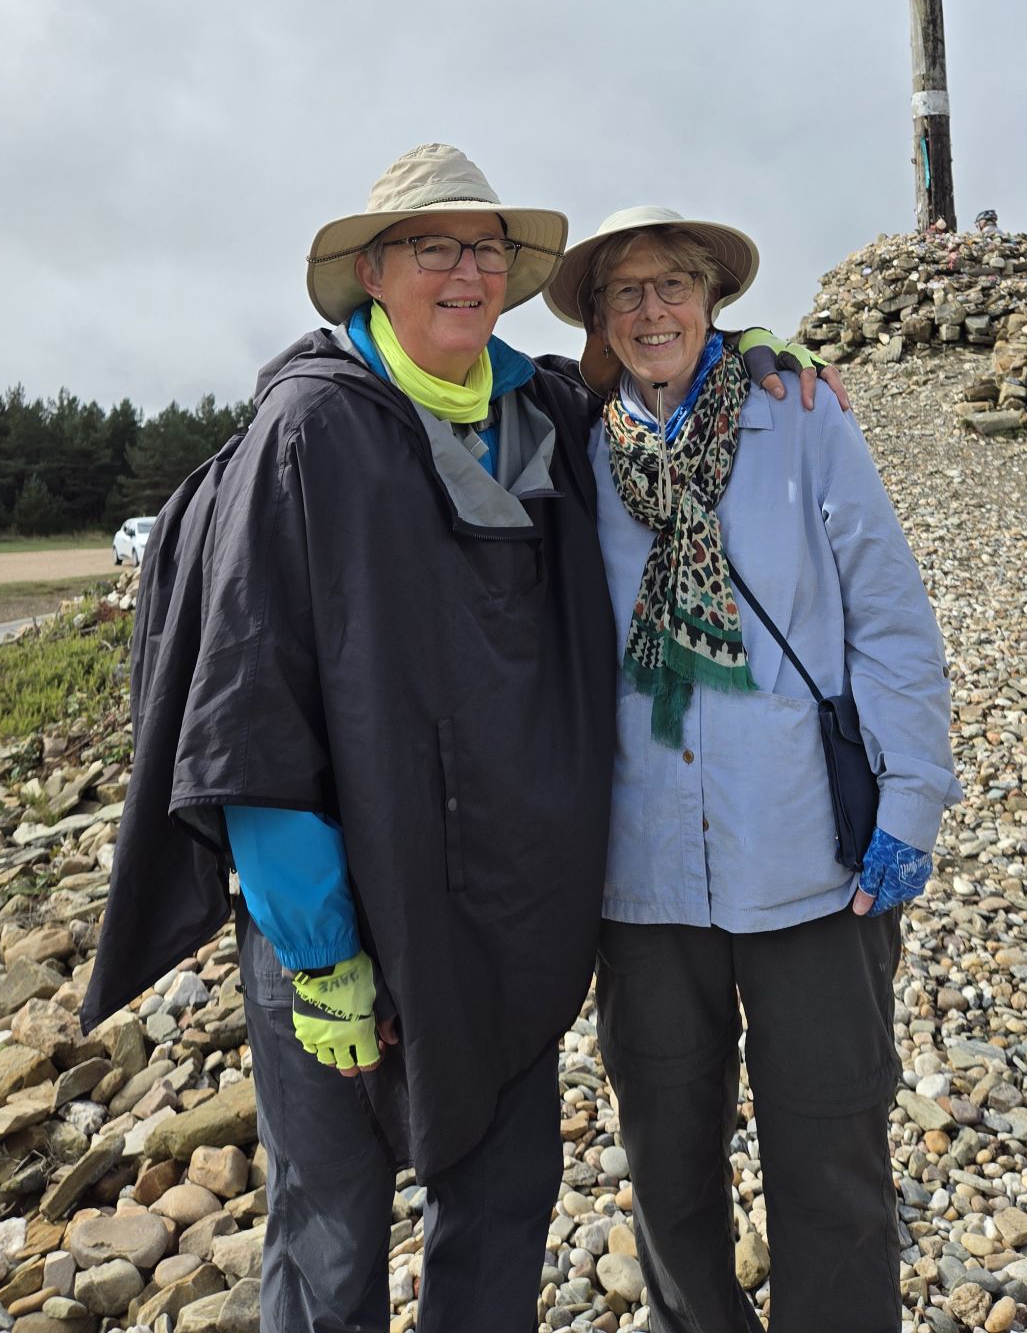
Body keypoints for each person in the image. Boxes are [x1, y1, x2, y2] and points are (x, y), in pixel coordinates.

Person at [86, 145, 833, 1333]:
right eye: (434, 247)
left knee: (500, 1207)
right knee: (331, 1239)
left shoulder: (540, 410)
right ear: (373, 272)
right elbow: (247, 708)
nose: (467, 271)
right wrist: (323, 951)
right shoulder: (311, 436)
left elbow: (655, 367)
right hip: (343, 920)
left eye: (485, 247)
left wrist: (748, 352)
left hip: (497, 919)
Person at [545, 206, 961, 1333]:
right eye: (622, 293)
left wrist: (913, 797)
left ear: (713, 298)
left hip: (810, 856)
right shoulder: (574, 452)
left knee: (832, 1153)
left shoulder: (803, 416)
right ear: (598, 321)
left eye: (672, 283)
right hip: (643, 873)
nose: (650, 309)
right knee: (668, 1167)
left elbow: (888, 613)